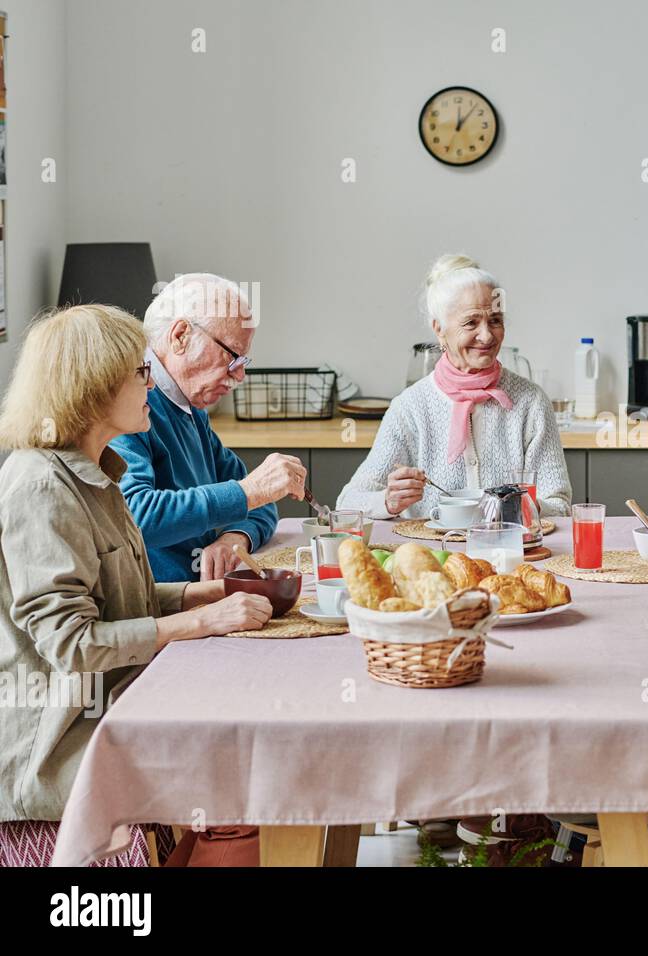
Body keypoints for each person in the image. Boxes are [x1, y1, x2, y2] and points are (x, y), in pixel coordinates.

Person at [0, 305, 272, 866]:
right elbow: (73, 645)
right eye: (140, 373)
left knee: (237, 781)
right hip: (57, 751)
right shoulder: (40, 486)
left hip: (110, 715)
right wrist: (203, 621)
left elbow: (129, 601)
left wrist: (212, 595)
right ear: (94, 386)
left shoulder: (99, 473)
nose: (153, 382)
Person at [338, 254, 571, 518]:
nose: (486, 335)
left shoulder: (530, 402)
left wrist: (522, 507)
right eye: (471, 322)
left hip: (511, 556)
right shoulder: (410, 408)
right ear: (439, 329)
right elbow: (347, 503)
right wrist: (388, 501)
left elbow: (560, 504)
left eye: (495, 320)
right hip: (433, 557)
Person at [110, 273, 307, 582]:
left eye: (243, 361)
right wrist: (249, 491)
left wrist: (236, 536)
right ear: (180, 336)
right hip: (159, 608)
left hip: (201, 595)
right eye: (231, 355)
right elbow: (135, 516)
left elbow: (258, 501)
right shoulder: (128, 402)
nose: (239, 375)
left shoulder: (189, 404)